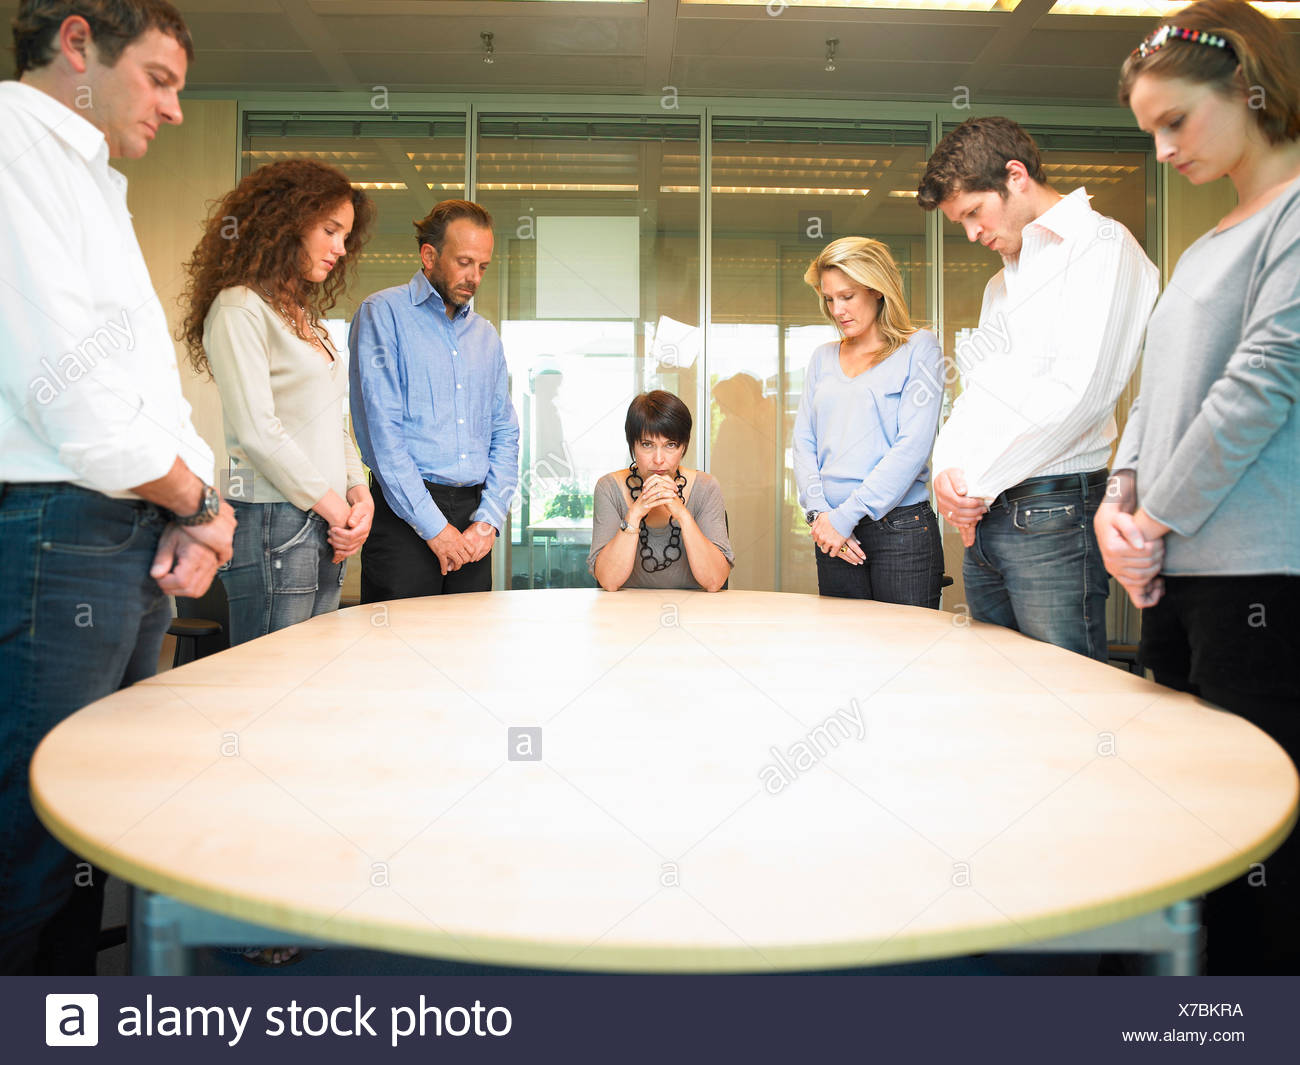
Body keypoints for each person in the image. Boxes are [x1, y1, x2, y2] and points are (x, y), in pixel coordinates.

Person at [0, 0, 235, 974]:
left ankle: (72, 1018)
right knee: (34, 835)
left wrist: (195, 506)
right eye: (160, 78)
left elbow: (147, 383)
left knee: (93, 821)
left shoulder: (91, 176)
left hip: (127, 523)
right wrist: (197, 504)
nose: (174, 110)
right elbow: (75, 397)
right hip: (62, 528)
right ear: (78, 44)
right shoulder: (14, 146)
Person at [1100, 0, 1300, 973]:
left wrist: (1150, 518)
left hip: (1262, 578)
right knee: (1186, 823)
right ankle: (1192, 1014)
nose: (1164, 148)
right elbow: (1156, 390)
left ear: (1248, 89)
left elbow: (1258, 387)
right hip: (1173, 571)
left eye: (1174, 121)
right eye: (1150, 133)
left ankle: (1245, 1023)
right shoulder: (1204, 243)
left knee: (1260, 846)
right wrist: (1115, 502)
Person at [916, 117, 1159, 659]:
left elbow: (1084, 395)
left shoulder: (1103, 248)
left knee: (1066, 696)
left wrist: (974, 483)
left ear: (1016, 176)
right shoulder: (1002, 283)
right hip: (987, 519)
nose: (972, 234)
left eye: (974, 213)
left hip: (1053, 515)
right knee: (1000, 693)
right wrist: (946, 475)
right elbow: (976, 395)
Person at [180, 159, 375, 646]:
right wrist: (334, 509)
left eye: (346, 236)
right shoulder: (238, 308)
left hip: (326, 521)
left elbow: (335, 422)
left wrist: (359, 493)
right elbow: (258, 431)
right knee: (274, 680)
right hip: (275, 519)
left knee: (312, 674)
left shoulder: (306, 319)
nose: (340, 248)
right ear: (286, 223)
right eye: (330, 230)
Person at [349, 199, 520, 602]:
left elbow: (504, 432)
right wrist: (435, 529)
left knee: (467, 652)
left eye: (482, 266)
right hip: (402, 514)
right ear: (429, 255)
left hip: (474, 521)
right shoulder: (382, 314)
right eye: (464, 262)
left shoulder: (486, 337)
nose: (474, 276)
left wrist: (489, 520)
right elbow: (382, 435)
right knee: (398, 652)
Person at [793, 237, 945, 607]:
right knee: (845, 655)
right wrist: (822, 517)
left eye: (847, 296)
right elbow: (804, 442)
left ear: (877, 290)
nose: (837, 309)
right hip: (831, 531)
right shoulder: (822, 358)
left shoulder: (919, 348)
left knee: (904, 653)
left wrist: (846, 517)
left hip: (901, 530)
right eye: (830, 299)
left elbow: (911, 447)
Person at [589, 392, 733, 592]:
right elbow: (609, 581)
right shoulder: (609, 488)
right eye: (647, 445)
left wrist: (682, 514)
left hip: (696, 614)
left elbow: (714, 581)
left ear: (683, 447)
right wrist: (634, 514)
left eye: (670, 445)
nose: (658, 459)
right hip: (625, 614)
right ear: (632, 445)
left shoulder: (706, 487)